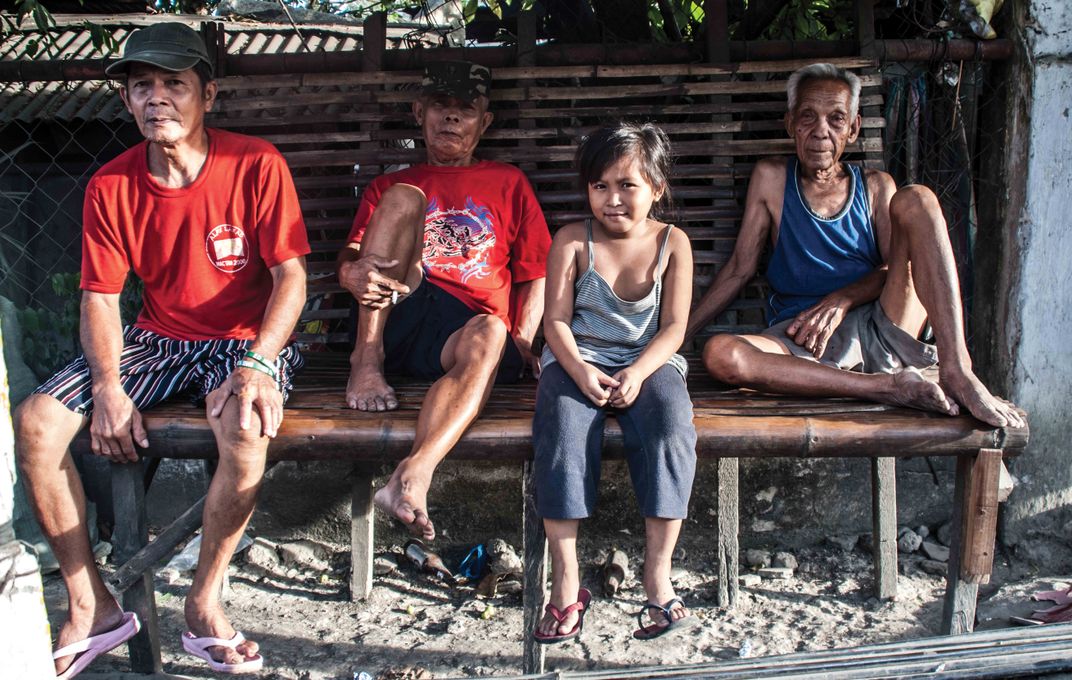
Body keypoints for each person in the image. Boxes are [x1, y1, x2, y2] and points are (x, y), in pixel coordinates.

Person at [13, 22, 309, 677]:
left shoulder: (254, 163)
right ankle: (94, 605)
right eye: (141, 86)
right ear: (126, 101)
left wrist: (260, 364)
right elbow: (99, 296)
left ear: (207, 93)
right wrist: (111, 387)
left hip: (242, 341)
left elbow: (291, 276)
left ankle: (204, 606)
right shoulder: (111, 186)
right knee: (36, 421)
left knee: (247, 424)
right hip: (159, 339)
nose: (156, 99)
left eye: (173, 83)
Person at [686, 63, 1023, 429]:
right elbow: (739, 269)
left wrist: (842, 299)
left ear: (854, 128)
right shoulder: (771, 179)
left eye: (836, 119)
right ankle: (882, 388)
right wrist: (678, 335)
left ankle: (957, 369)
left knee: (918, 199)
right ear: (790, 125)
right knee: (721, 354)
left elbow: (898, 270)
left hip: (882, 326)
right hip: (800, 339)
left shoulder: (877, 186)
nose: (821, 131)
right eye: (808, 117)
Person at [337, 61, 550, 541]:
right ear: (419, 112)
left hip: (466, 334)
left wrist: (521, 338)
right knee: (403, 198)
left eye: (466, 110)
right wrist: (351, 272)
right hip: (399, 305)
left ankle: (413, 476)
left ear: (485, 121)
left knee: (492, 330)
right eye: (441, 106)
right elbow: (352, 257)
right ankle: (365, 360)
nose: (452, 118)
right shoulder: (389, 185)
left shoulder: (507, 181)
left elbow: (535, 271)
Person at [532, 123, 697, 644]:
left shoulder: (674, 243)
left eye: (627, 185)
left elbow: (674, 327)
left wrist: (639, 372)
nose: (613, 198)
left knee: (672, 426)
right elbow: (554, 321)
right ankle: (565, 583)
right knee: (559, 428)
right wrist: (579, 369)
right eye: (600, 185)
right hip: (576, 359)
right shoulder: (571, 240)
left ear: (657, 187)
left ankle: (656, 576)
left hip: (648, 363)